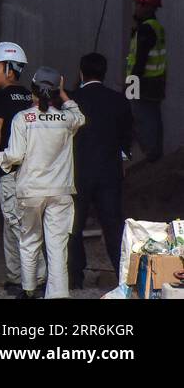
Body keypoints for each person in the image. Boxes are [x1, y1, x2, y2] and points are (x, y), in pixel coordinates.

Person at [0, 68, 86, 299]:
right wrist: (63, 94)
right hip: (60, 192)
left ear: (32, 91)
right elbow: (79, 115)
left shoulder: (23, 119)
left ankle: (29, 289)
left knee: (29, 240)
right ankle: (58, 294)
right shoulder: (66, 119)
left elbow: (15, 155)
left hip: (30, 190)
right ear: (54, 93)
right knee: (57, 246)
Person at [0, 41, 44, 295]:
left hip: (9, 169)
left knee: (18, 226)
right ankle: (15, 277)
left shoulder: (1, 97)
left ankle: (35, 281)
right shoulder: (31, 97)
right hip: (30, 168)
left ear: (9, 69)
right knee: (17, 224)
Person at [68, 52, 133, 290]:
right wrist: (121, 161)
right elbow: (126, 138)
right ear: (104, 73)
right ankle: (124, 276)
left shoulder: (72, 99)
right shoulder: (119, 100)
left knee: (73, 226)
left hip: (78, 173)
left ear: (81, 73)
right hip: (109, 173)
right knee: (113, 226)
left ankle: (75, 277)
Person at [125, 0, 165, 162]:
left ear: (147, 7)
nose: (136, 9)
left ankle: (150, 154)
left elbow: (140, 59)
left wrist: (131, 83)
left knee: (140, 116)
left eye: (139, 5)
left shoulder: (146, 29)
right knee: (151, 116)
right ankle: (153, 152)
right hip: (154, 82)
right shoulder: (154, 27)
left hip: (143, 82)